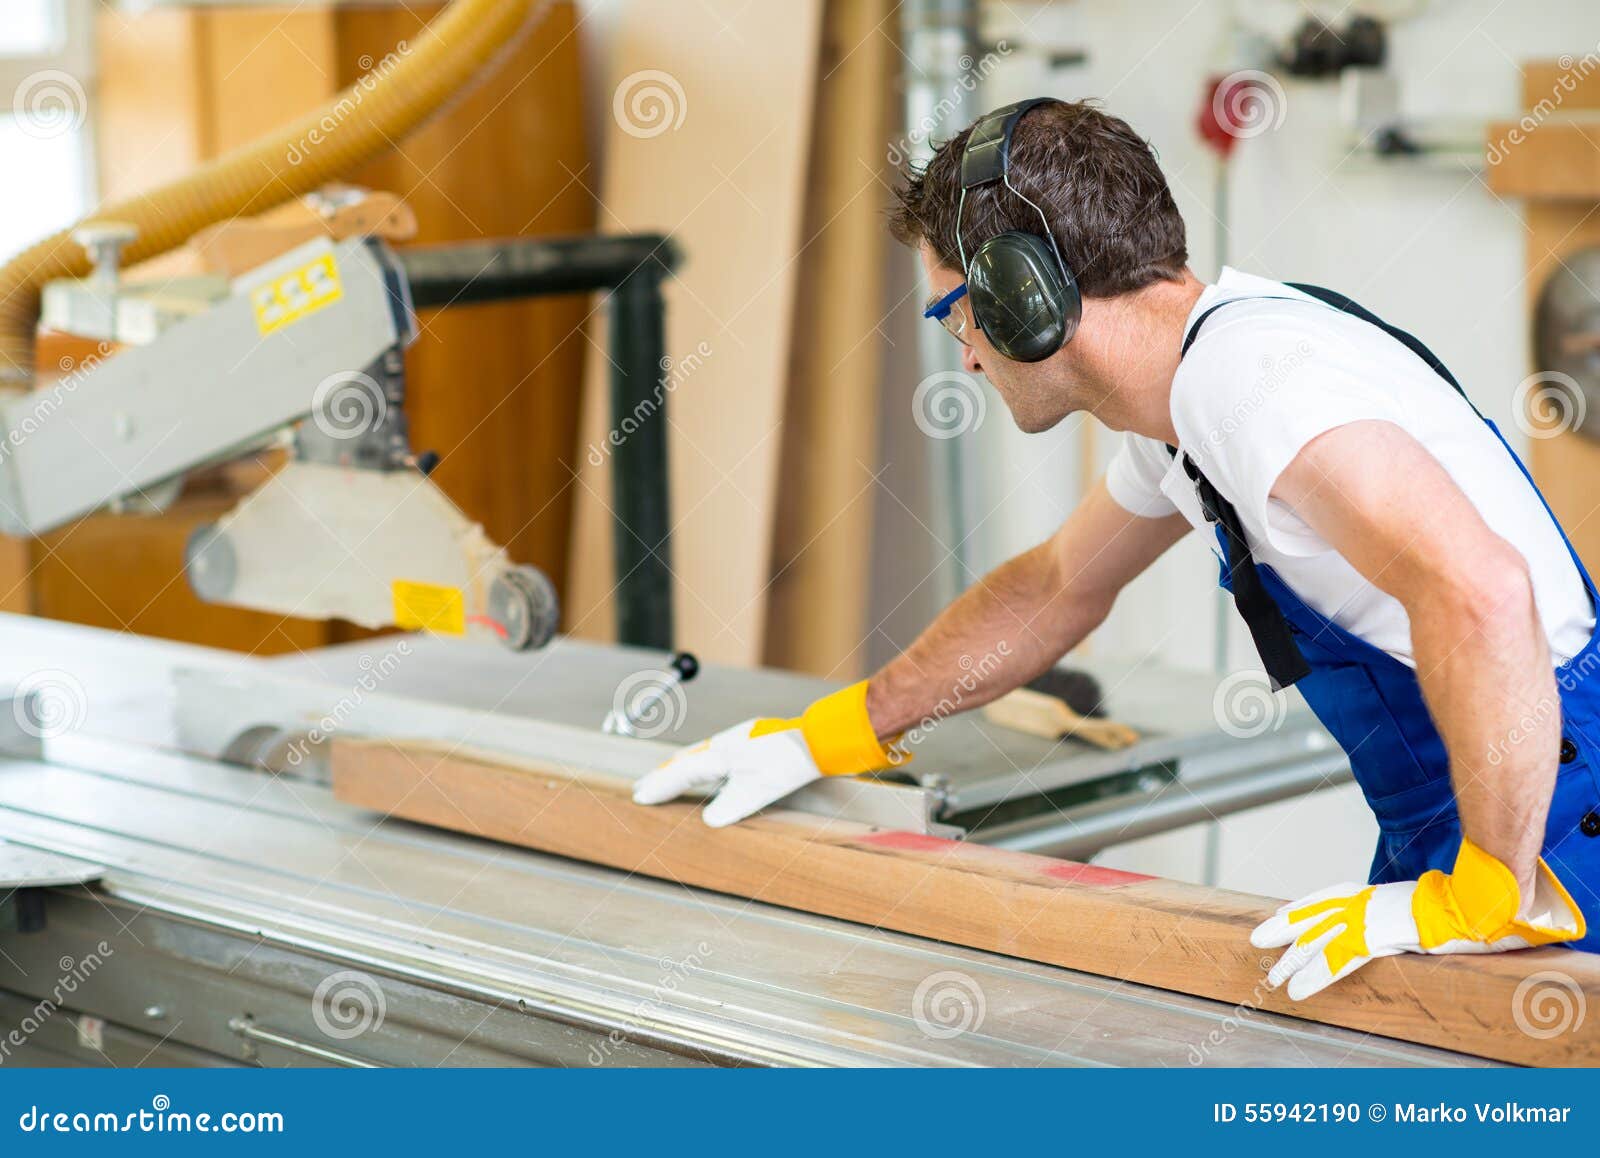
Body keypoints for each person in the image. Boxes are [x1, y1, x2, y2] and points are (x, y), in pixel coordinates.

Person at [632, 98, 1593, 999]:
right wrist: (828, 734)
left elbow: (1484, 594)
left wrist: (1490, 893)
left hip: (1546, 832)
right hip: (1476, 825)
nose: (963, 353)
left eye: (953, 311)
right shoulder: (1192, 395)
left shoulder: (1249, 387)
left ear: (1022, 295)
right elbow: (1053, 589)